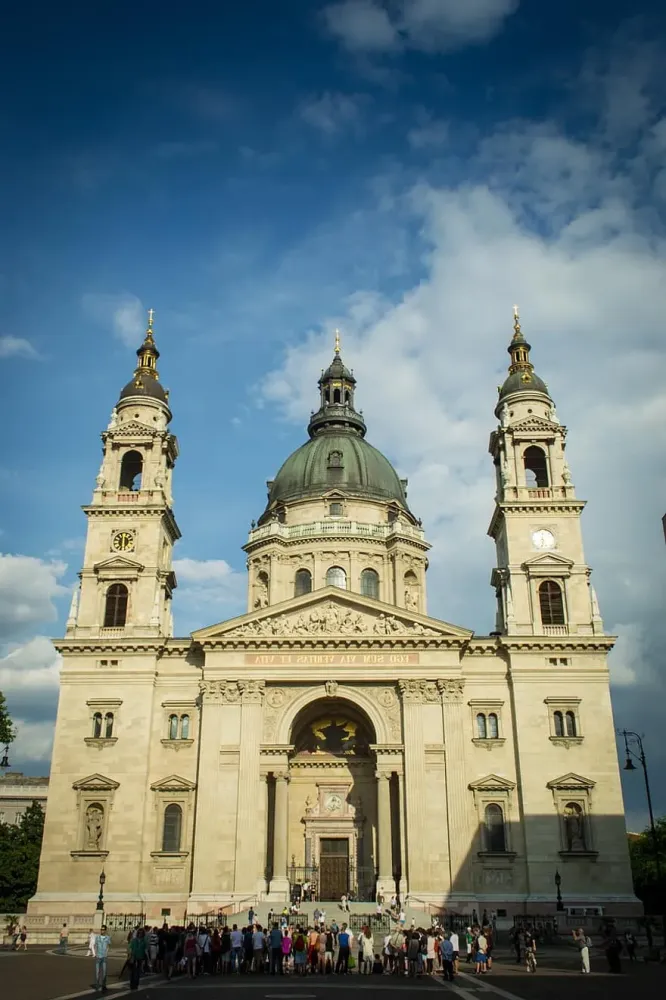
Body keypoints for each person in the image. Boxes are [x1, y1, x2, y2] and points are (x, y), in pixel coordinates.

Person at [94, 925, 111, 993]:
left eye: (103, 929)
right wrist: (95, 953)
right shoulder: (97, 937)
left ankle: (104, 985)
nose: (102, 931)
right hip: (98, 956)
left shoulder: (108, 937)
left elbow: (108, 946)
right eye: (101, 929)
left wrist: (106, 953)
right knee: (97, 972)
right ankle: (97, 985)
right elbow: (95, 945)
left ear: (105, 930)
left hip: (104, 956)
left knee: (104, 972)